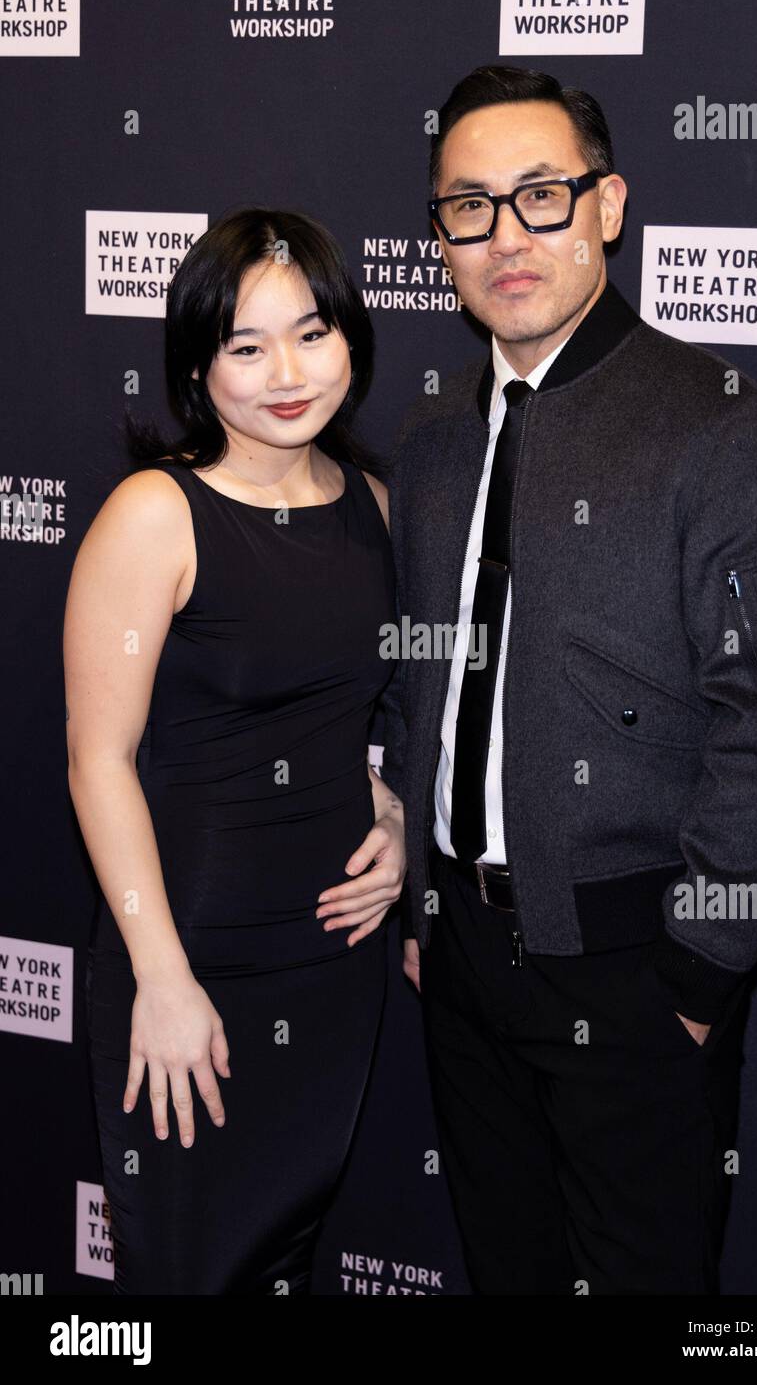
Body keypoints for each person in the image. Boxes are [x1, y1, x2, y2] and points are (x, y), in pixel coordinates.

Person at [380, 66, 757, 1295]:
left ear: (610, 206)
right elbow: (419, 685)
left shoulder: (722, 427)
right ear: (441, 238)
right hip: (461, 965)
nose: (506, 235)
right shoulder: (431, 445)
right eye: (468, 207)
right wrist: (423, 892)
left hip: (638, 965)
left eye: (542, 195)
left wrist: (693, 975)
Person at [64, 206, 406, 1295]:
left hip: (334, 968)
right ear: (198, 365)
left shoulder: (377, 509)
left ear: (351, 335)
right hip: (191, 965)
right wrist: (161, 979)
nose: (286, 372)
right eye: (245, 346)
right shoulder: (155, 515)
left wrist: (393, 818)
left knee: (283, 1261)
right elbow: (99, 759)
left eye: (312, 333)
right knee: (186, 1274)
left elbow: (371, 717)